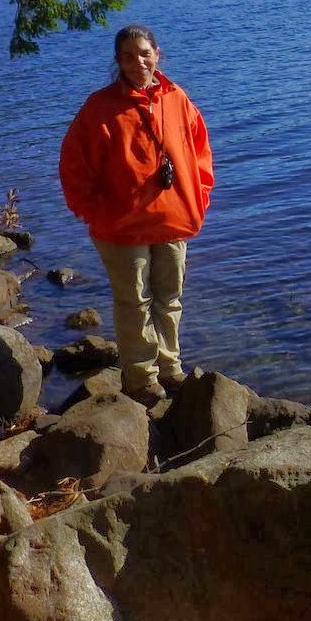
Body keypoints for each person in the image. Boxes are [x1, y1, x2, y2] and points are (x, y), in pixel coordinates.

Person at [58, 24, 214, 405]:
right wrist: (93, 211)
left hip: (172, 219)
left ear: (157, 54)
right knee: (134, 302)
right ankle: (141, 378)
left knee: (170, 299)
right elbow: (73, 166)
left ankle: (169, 366)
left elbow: (200, 154)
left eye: (144, 53)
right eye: (128, 56)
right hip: (120, 227)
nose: (138, 61)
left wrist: (198, 197)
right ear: (118, 61)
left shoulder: (176, 98)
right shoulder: (100, 107)